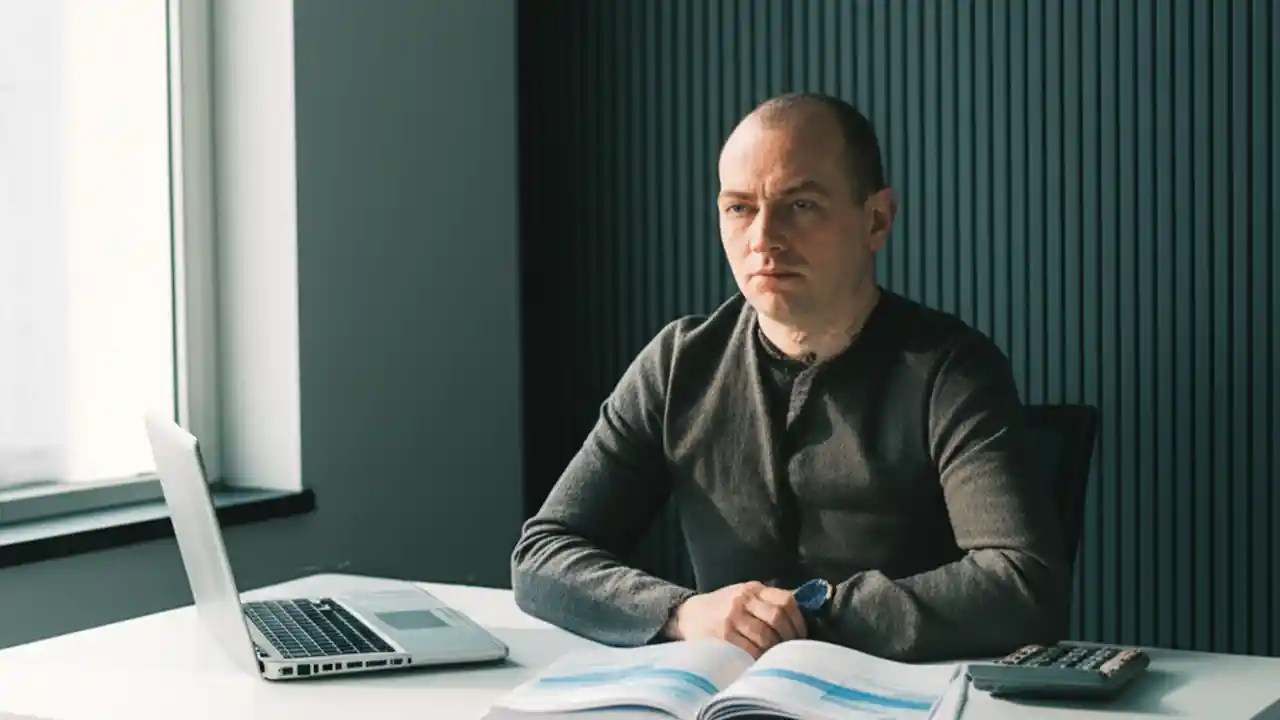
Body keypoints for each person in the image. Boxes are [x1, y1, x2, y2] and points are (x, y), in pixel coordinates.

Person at [511, 92, 1068, 662]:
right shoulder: (678, 364)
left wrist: (802, 615)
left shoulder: (951, 368)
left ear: (876, 219)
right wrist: (682, 613)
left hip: (903, 697)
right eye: (739, 208)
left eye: (800, 205)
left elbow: (1024, 583)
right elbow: (544, 556)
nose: (763, 238)